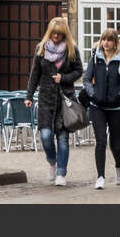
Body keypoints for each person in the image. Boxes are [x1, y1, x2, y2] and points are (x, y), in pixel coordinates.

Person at [24, 18, 82, 186]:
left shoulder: (71, 50)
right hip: (46, 100)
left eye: (60, 34)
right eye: (54, 33)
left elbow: (79, 71)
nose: (56, 36)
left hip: (65, 100)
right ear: (50, 32)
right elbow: (34, 74)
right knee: (46, 135)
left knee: (63, 139)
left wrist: (63, 78)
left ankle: (61, 174)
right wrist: (28, 96)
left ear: (65, 34)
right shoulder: (41, 49)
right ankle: (52, 161)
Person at [82, 27, 120, 189]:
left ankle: (119, 167)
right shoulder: (95, 58)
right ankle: (100, 177)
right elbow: (85, 79)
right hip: (97, 106)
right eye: (104, 39)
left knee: (115, 144)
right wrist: (92, 93)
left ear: (115, 42)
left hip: (117, 108)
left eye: (109, 40)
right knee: (100, 141)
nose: (105, 43)